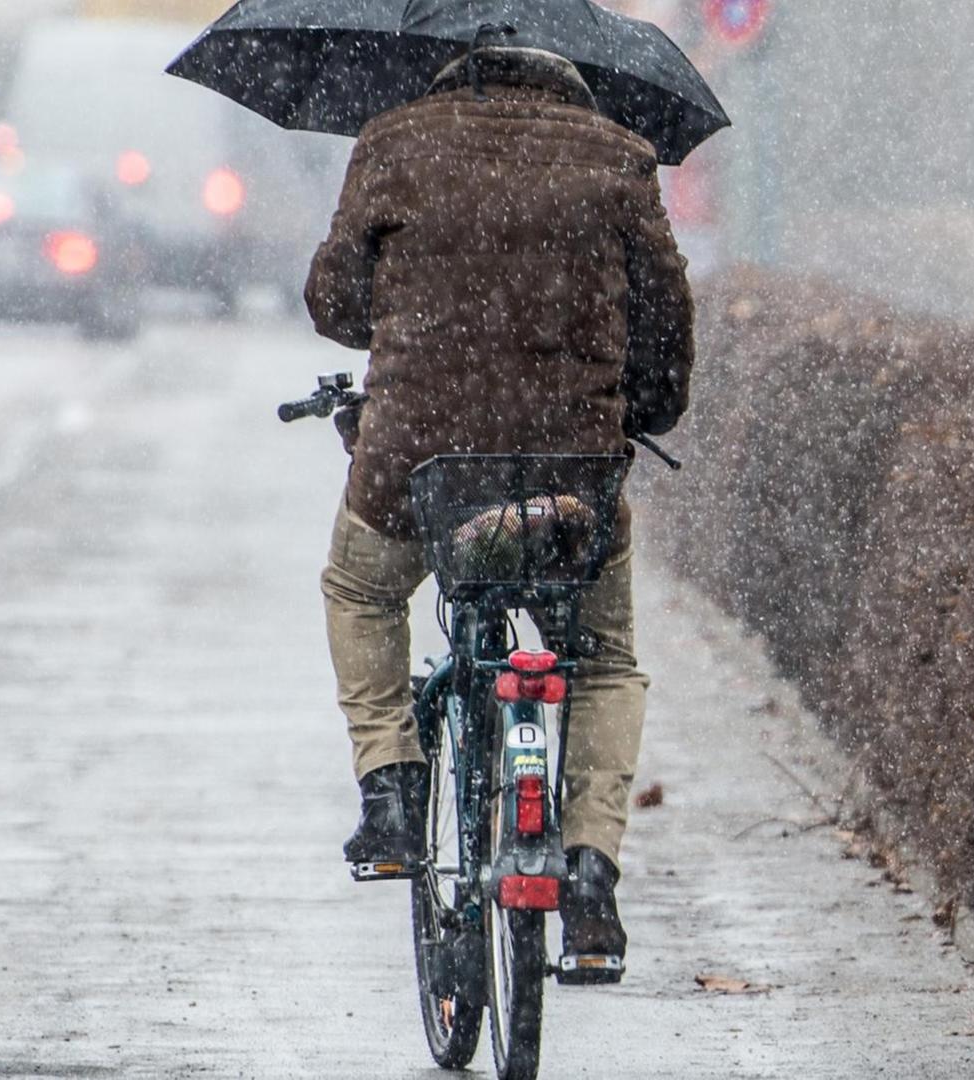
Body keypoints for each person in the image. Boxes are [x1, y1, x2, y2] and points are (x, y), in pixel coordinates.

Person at [303, 44, 693, 974]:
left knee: (360, 590)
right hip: (573, 473)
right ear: (571, 70)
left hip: (420, 466)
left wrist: (408, 307)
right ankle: (591, 875)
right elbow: (665, 322)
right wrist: (641, 409)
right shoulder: (618, 155)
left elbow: (333, 302)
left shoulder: (393, 142)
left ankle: (392, 796)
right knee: (600, 659)